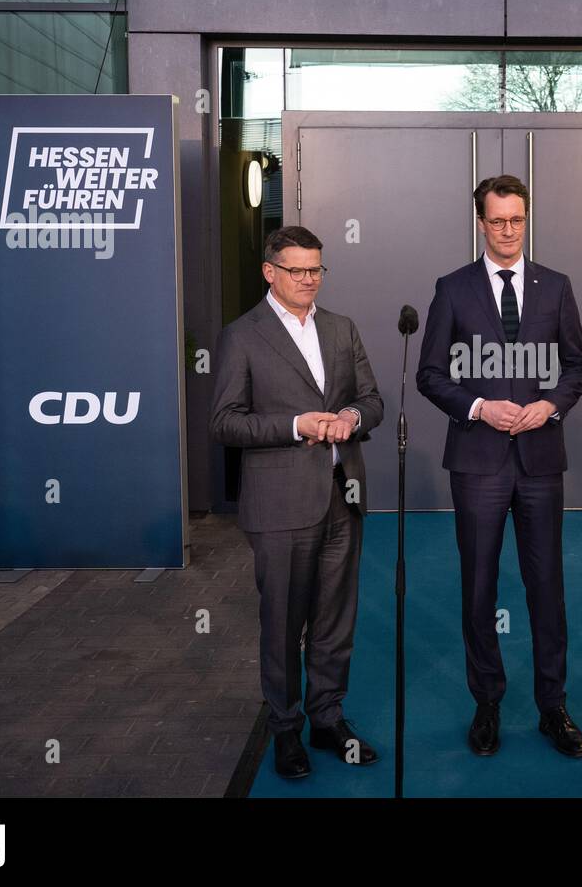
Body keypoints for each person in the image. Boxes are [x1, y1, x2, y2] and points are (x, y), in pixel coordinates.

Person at [416, 174, 582, 758]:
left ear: (527, 218)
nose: (509, 230)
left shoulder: (557, 286)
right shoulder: (452, 288)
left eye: (517, 219)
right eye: (498, 221)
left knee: (548, 586)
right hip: (478, 462)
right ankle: (487, 701)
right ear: (480, 222)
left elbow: (578, 368)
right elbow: (431, 375)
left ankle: (553, 705)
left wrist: (550, 406)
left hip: (541, 461)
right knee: (479, 586)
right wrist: (478, 407)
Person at [209, 225, 384, 780]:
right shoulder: (243, 335)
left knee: (335, 621)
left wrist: (352, 419)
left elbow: (371, 399)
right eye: (297, 270)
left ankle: (327, 717)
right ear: (270, 272)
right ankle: (284, 730)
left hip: (342, 496)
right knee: (283, 624)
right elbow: (224, 422)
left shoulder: (340, 328)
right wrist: (294, 425)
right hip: (280, 506)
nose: (309, 279)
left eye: (316, 269)